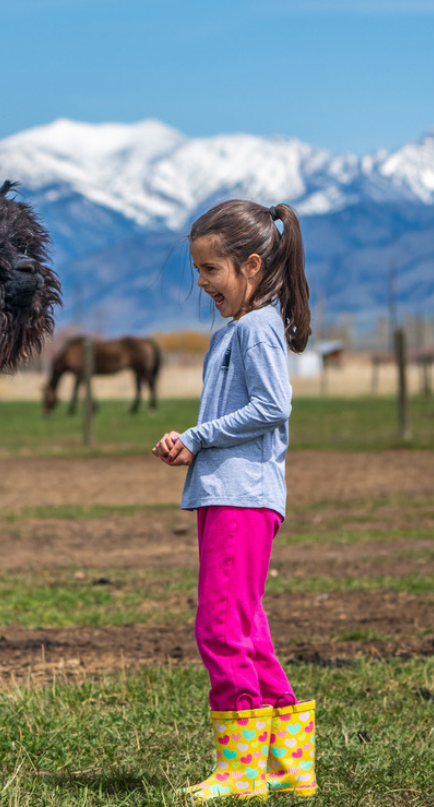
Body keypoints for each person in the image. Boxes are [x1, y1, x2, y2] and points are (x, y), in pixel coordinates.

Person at [153, 199, 317, 802]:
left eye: (211, 270)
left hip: (241, 500)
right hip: (232, 495)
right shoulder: (242, 327)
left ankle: (242, 771)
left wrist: (197, 437)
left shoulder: (253, 328)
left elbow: (274, 407)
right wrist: (194, 445)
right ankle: (290, 765)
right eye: (197, 270)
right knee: (246, 628)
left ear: (251, 265)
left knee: (219, 628)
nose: (202, 283)